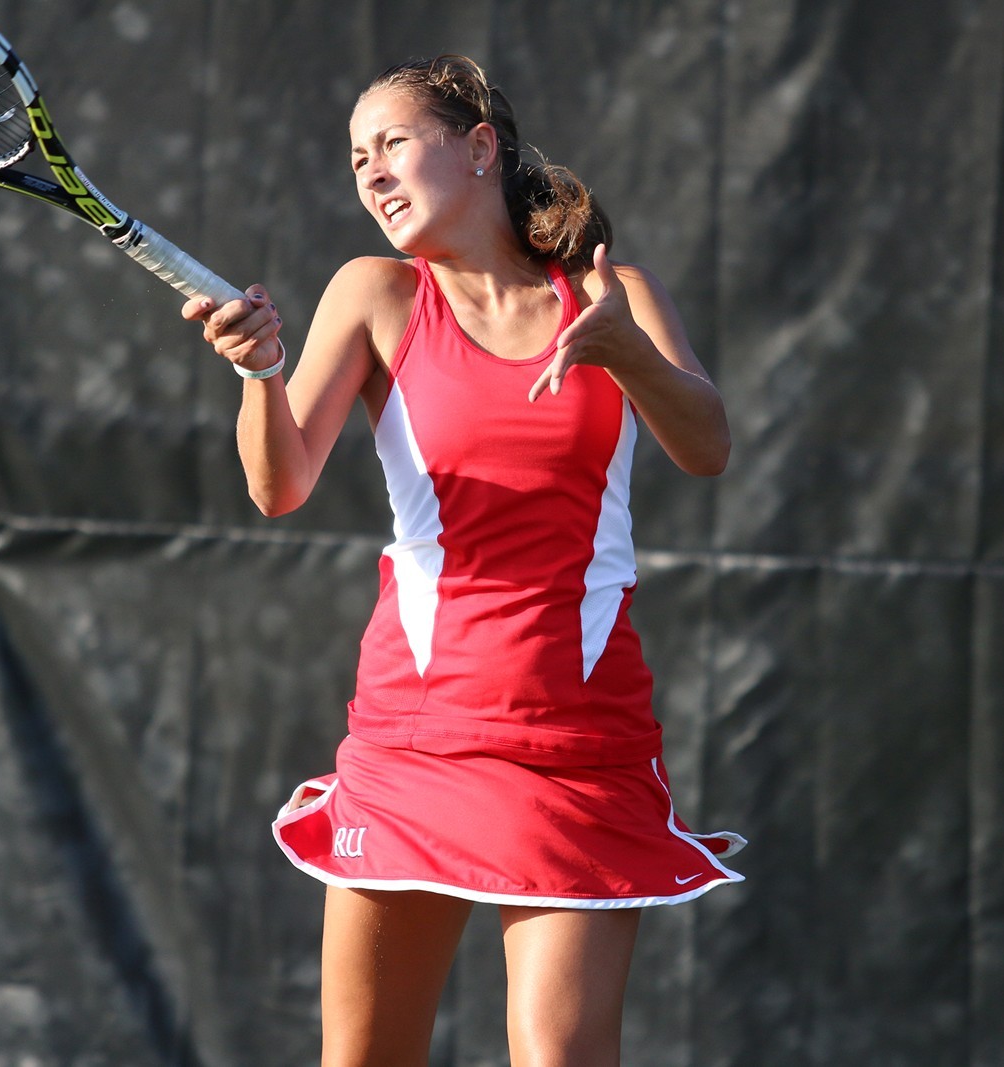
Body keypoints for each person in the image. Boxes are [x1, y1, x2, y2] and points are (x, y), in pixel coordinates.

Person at [183, 54, 744, 1067]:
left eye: (392, 143)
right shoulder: (372, 294)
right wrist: (261, 373)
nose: (372, 173)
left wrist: (625, 351)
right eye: (358, 159)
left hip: (580, 749)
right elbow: (280, 484)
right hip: (413, 743)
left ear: (480, 147)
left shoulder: (612, 294)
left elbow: (705, 448)